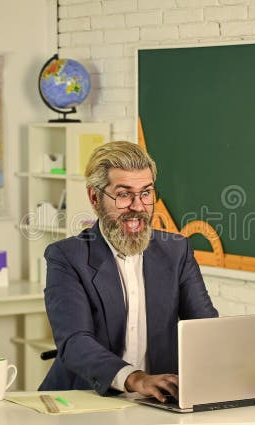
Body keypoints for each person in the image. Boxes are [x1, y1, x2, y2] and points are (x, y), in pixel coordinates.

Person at [38, 141, 218, 402]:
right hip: (83, 399)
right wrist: (135, 379)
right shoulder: (67, 257)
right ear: (95, 198)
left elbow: (205, 327)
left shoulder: (176, 251)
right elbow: (75, 342)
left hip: (157, 401)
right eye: (124, 194)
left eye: (146, 193)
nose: (138, 206)